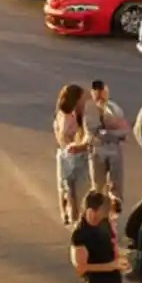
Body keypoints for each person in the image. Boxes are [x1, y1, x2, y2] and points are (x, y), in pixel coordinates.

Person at [85, 79, 129, 212]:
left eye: (102, 91)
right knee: (98, 184)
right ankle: (99, 210)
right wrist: (112, 129)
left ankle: (114, 210)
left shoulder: (115, 108)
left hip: (114, 150)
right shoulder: (89, 109)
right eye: (96, 92)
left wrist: (109, 130)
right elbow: (94, 131)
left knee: (116, 183)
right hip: (97, 151)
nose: (100, 95)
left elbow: (124, 130)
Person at [55, 83, 90, 226]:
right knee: (71, 189)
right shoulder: (71, 116)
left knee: (66, 188)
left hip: (65, 153)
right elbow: (68, 136)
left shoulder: (61, 114)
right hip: (74, 156)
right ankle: (72, 216)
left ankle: (68, 215)